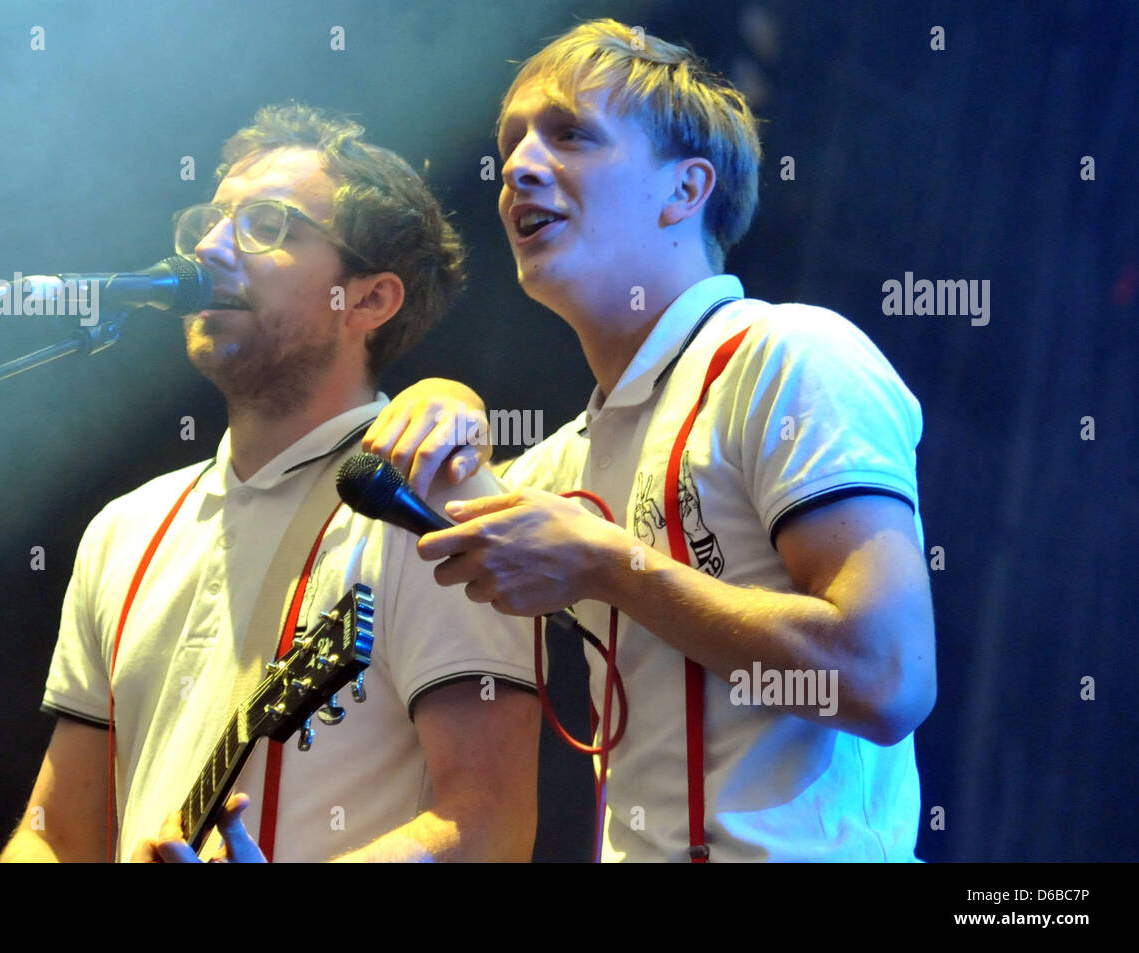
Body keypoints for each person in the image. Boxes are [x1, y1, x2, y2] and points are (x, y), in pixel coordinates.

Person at [364, 19, 936, 862]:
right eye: (511, 140)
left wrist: (611, 565)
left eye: (569, 134)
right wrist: (440, 396)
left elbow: (887, 677)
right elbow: (426, 508)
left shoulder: (786, 355)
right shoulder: (571, 458)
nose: (517, 166)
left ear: (684, 190)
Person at [0, 103, 540, 863]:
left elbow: (488, 825)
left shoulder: (434, 500)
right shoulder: (124, 527)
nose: (215, 250)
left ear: (371, 299)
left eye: (268, 228)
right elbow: (54, 830)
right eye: (213, 223)